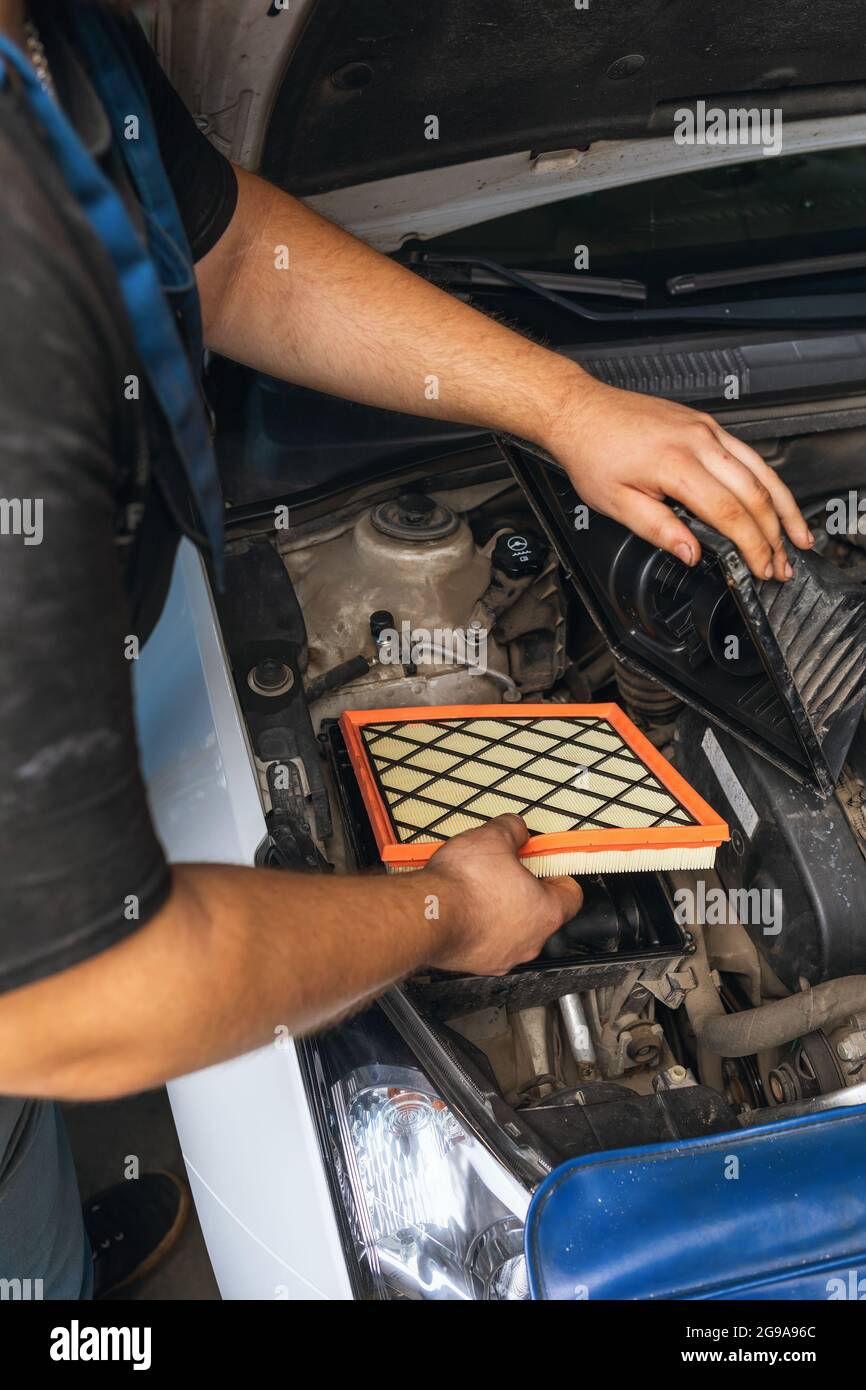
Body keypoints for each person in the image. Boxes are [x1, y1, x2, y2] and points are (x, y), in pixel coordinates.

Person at [0, 0, 811, 1298]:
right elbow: (75, 999)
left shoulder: (60, 42)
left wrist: (567, 407)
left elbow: (222, 249)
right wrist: (443, 913)